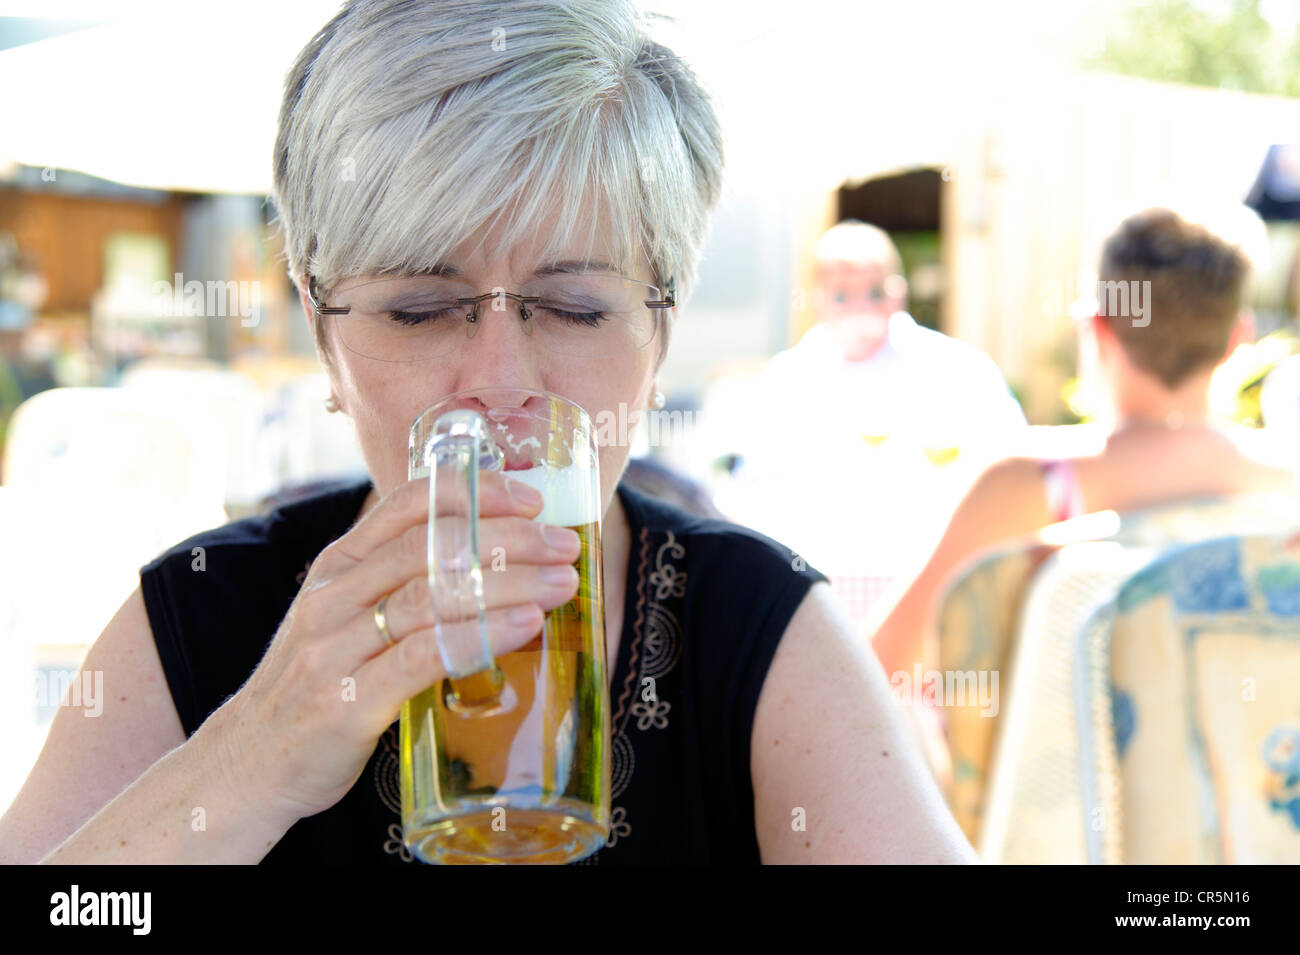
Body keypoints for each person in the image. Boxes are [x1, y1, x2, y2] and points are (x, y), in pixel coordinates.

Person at [0, 0, 974, 864]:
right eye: (420, 308)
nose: (499, 384)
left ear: (658, 329)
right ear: (321, 330)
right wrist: (249, 758)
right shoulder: (204, 618)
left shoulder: (753, 629)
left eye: (575, 306)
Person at [869, 205, 1300, 684]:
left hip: (1045, 761)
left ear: (1098, 326)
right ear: (1239, 338)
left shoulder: (1024, 487)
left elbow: (877, 667)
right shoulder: (1288, 485)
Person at [720, 220, 1026, 618]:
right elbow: (751, 488)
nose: (861, 305)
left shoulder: (957, 369)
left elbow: (1010, 460)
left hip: (933, 585)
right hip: (815, 589)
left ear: (900, 292)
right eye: (843, 294)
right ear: (817, 298)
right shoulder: (789, 378)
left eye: (875, 291)